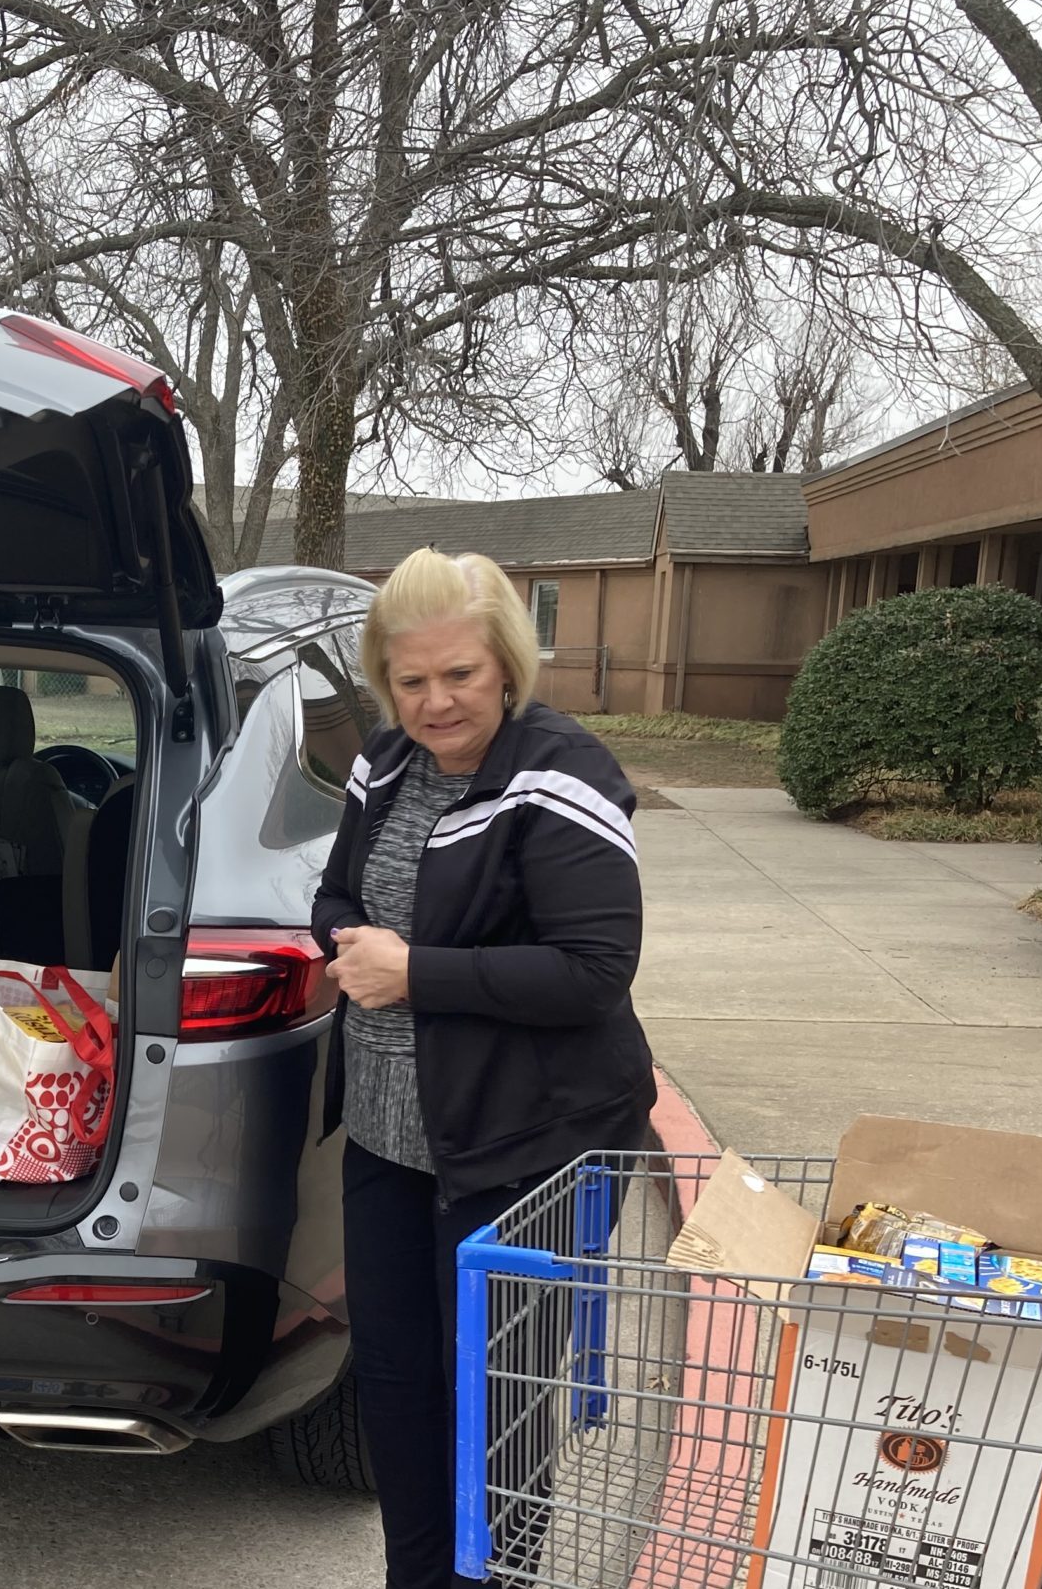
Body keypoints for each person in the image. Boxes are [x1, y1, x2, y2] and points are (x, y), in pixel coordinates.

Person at [313, 548, 653, 1589]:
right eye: (410, 679)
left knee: (495, 1416)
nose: (435, 700)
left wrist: (415, 970)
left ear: (505, 664)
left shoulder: (563, 774)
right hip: (385, 1138)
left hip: (518, 1149)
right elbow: (334, 899)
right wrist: (349, 941)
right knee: (399, 1392)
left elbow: (593, 969)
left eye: (458, 674)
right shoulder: (385, 762)